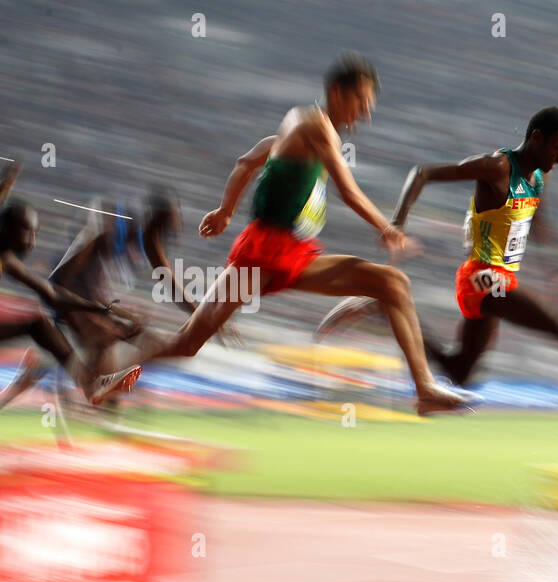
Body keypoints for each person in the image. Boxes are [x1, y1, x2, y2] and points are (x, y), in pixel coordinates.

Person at [104, 54, 463, 414]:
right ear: (338, 93)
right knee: (392, 284)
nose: (365, 113)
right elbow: (348, 191)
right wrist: (387, 228)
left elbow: (247, 161)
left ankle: (107, 369)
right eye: (361, 101)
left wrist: (226, 210)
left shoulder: (298, 127)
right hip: (272, 252)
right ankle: (425, 390)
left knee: (188, 341)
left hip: (272, 250)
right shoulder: (316, 126)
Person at [317, 106, 558, 402]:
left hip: (502, 279)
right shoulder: (497, 167)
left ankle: (383, 308)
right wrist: (396, 224)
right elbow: (421, 173)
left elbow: (534, 226)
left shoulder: (540, 178)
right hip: (482, 278)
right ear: (537, 139)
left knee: (458, 371)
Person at [0, 172, 141, 406]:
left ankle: (92, 384)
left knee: (38, 324)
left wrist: (96, 308)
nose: (32, 242)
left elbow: (51, 294)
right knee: (38, 324)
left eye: (35, 233)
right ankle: (91, 385)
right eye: (27, 231)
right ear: (6, 229)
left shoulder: (6, 258)